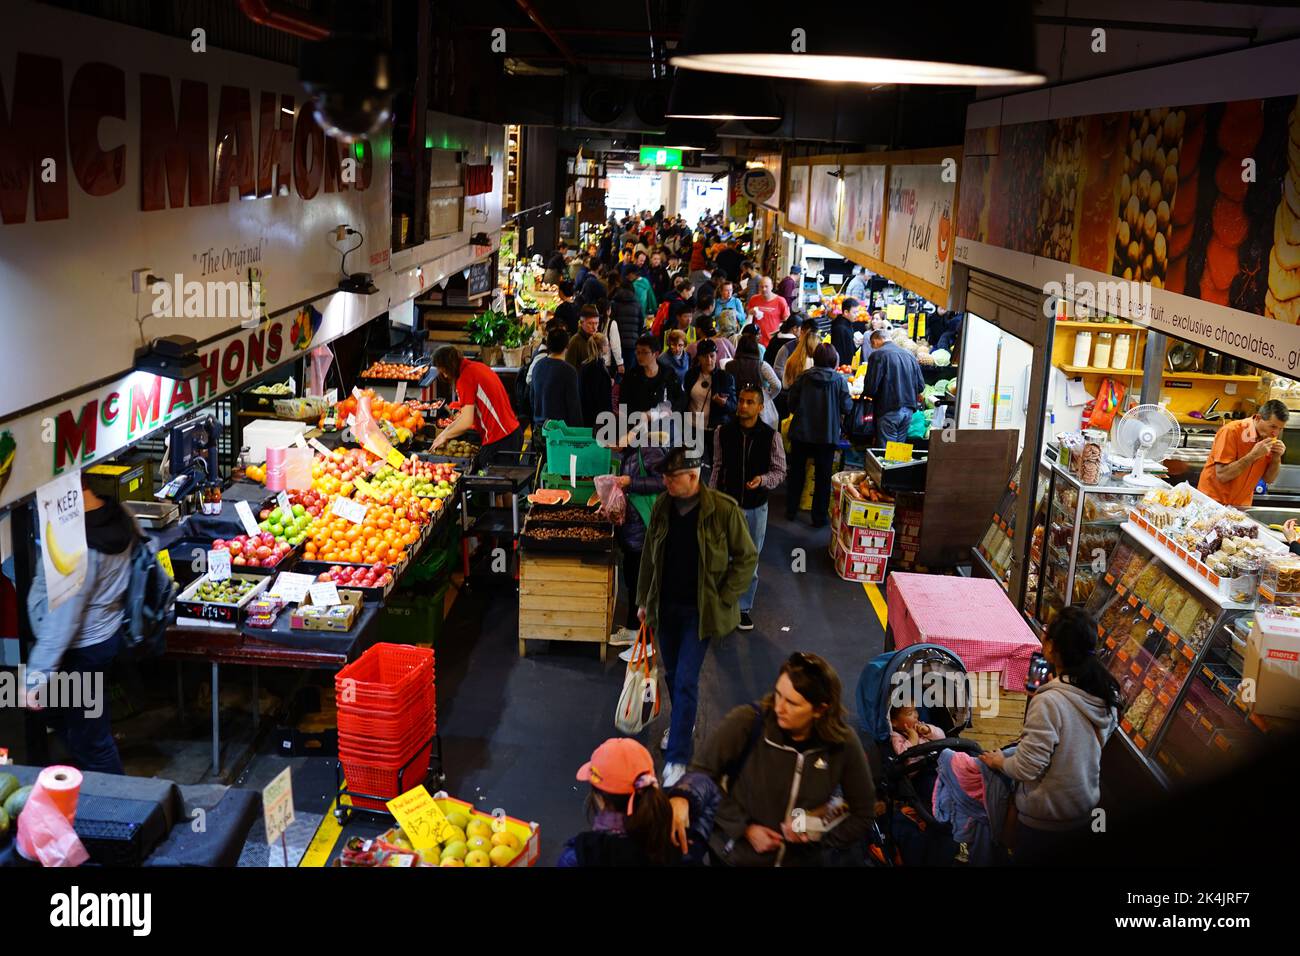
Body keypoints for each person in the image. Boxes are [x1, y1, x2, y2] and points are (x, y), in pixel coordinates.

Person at [677, 652, 875, 866]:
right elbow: (701, 774)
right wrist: (745, 828)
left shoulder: (843, 745)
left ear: (820, 709)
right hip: (735, 858)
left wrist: (820, 839)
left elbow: (863, 812)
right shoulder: (748, 722)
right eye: (778, 694)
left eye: (792, 703)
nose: (779, 707)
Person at [636, 447, 759, 786]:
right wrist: (643, 599)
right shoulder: (663, 506)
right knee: (673, 674)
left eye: (671, 478)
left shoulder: (722, 510)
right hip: (666, 607)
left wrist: (725, 598)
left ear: (692, 477)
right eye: (663, 477)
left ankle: (677, 756)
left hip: (700, 613)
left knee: (687, 678)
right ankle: (683, 723)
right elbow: (650, 553)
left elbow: (746, 557)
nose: (665, 483)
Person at [979, 606, 1120, 865]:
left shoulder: (1050, 702)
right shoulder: (1105, 690)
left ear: (1052, 647)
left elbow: (1027, 768)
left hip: (1044, 823)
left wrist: (1000, 761)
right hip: (1084, 811)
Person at [24, 479, 136, 774]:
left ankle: (120, 807)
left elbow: (63, 621)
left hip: (82, 651)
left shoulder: (78, 551)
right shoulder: (120, 515)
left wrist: (36, 678)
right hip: (107, 634)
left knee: (92, 742)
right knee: (74, 722)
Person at [558, 737, 719, 866]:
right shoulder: (681, 837)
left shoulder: (579, 856)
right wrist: (683, 798)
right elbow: (706, 786)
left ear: (601, 800)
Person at [710, 386, 786, 631]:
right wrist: (710, 498)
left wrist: (762, 480)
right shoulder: (722, 432)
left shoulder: (771, 436)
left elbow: (779, 471)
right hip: (726, 506)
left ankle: (742, 608)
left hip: (756, 508)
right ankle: (722, 605)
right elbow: (717, 466)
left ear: (760, 407)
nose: (743, 406)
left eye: (750, 402)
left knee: (749, 561)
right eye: (741, 401)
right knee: (722, 557)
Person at [786, 344, 852, 527]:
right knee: (823, 478)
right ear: (833, 360)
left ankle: (791, 510)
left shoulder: (804, 377)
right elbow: (847, 406)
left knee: (797, 473)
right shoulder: (839, 380)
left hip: (801, 432)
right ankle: (819, 518)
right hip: (826, 436)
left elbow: (791, 402)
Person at [432, 345, 523, 459]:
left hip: (500, 440)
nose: (445, 376)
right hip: (513, 433)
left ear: (451, 366)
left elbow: (466, 421)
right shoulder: (477, 367)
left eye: (445, 371)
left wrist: (445, 436)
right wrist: (444, 433)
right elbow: (464, 416)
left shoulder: (465, 378)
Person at [1196, 400, 1288, 507]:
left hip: (1241, 507)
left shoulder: (1269, 438)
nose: (1275, 433)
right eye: (1272, 426)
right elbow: (1223, 475)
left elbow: (1269, 479)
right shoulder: (1232, 431)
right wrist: (1253, 455)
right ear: (1258, 418)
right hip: (1212, 503)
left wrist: (1276, 458)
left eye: (1280, 429)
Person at [861, 328, 925, 445]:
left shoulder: (878, 355)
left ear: (875, 341)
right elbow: (920, 386)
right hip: (908, 410)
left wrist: (865, 395)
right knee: (897, 450)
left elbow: (871, 388)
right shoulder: (909, 355)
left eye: (872, 345)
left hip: (888, 409)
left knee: (886, 451)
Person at [679, 340, 736, 463]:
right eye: (705, 356)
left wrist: (724, 403)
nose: (709, 360)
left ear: (716, 355)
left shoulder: (725, 377)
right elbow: (684, 399)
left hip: (714, 429)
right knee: (691, 464)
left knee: (716, 464)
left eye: (712, 356)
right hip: (692, 426)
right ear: (699, 357)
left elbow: (734, 406)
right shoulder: (691, 375)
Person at [529, 326, 583, 430]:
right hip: (560, 433)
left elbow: (532, 398)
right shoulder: (569, 371)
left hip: (540, 428)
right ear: (566, 346)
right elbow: (573, 407)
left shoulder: (537, 366)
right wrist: (578, 431)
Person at [724, 335, 782, 430]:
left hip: (737, 407)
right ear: (756, 348)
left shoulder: (729, 366)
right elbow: (777, 385)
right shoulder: (762, 365)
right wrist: (767, 396)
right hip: (758, 410)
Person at [621, 334, 684, 416]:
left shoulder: (668, 373)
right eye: (637, 352)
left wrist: (671, 411)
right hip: (637, 422)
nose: (639, 356)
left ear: (656, 354)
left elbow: (680, 398)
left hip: (663, 422)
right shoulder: (631, 375)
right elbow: (623, 403)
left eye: (644, 352)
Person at [565, 303, 622, 373]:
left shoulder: (597, 339)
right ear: (582, 323)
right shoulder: (575, 341)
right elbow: (569, 370)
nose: (594, 327)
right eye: (590, 323)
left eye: (596, 323)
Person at [607, 274, 643, 375]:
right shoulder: (637, 304)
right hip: (632, 343)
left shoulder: (614, 303)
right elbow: (641, 324)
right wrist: (636, 336)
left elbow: (611, 323)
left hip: (617, 343)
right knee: (629, 373)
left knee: (616, 372)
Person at [578, 333, 615, 429]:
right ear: (601, 347)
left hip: (587, 412)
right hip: (598, 415)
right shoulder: (597, 367)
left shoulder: (586, 365)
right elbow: (598, 393)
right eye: (607, 344)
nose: (609, 346)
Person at [778, 318, 824, 390]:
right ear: (802, 332)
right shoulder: (787, 348)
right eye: (810, 335)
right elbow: (778, 369)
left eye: (815, 336)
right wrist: (791, 380)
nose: (813, 339)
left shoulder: (820, 349)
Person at [747, 275, 792, 346]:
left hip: (773, 342)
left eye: (766, 286)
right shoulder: (753, 299)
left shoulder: (780, 301)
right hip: (756, 341)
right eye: (761, 287)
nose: (764, 289)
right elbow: (748, 317)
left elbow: (787, 321)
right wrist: (750, 312)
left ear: (772, 286)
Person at [830, 299, 860, 367]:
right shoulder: (841, 328)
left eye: (857, 312)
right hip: (842, 367)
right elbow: (842, 351)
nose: (857, 315)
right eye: (854, 312)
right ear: (846, 312)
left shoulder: (846, 324)